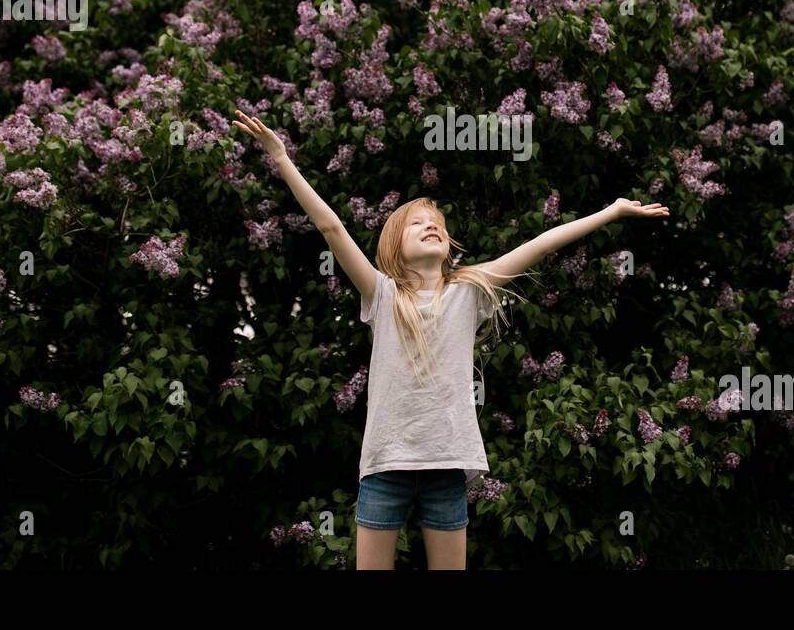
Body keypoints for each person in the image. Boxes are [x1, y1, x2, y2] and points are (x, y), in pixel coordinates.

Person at [232, 108, 668, 569]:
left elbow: (541, 244)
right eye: (417, 223)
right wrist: (281, 158)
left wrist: (612, 211)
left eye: (436, 222)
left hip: (446, 468)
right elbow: (331, 227)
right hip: (385, 467)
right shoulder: (381, 294)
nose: (431, 225)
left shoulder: (467, 292)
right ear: (394, 246)